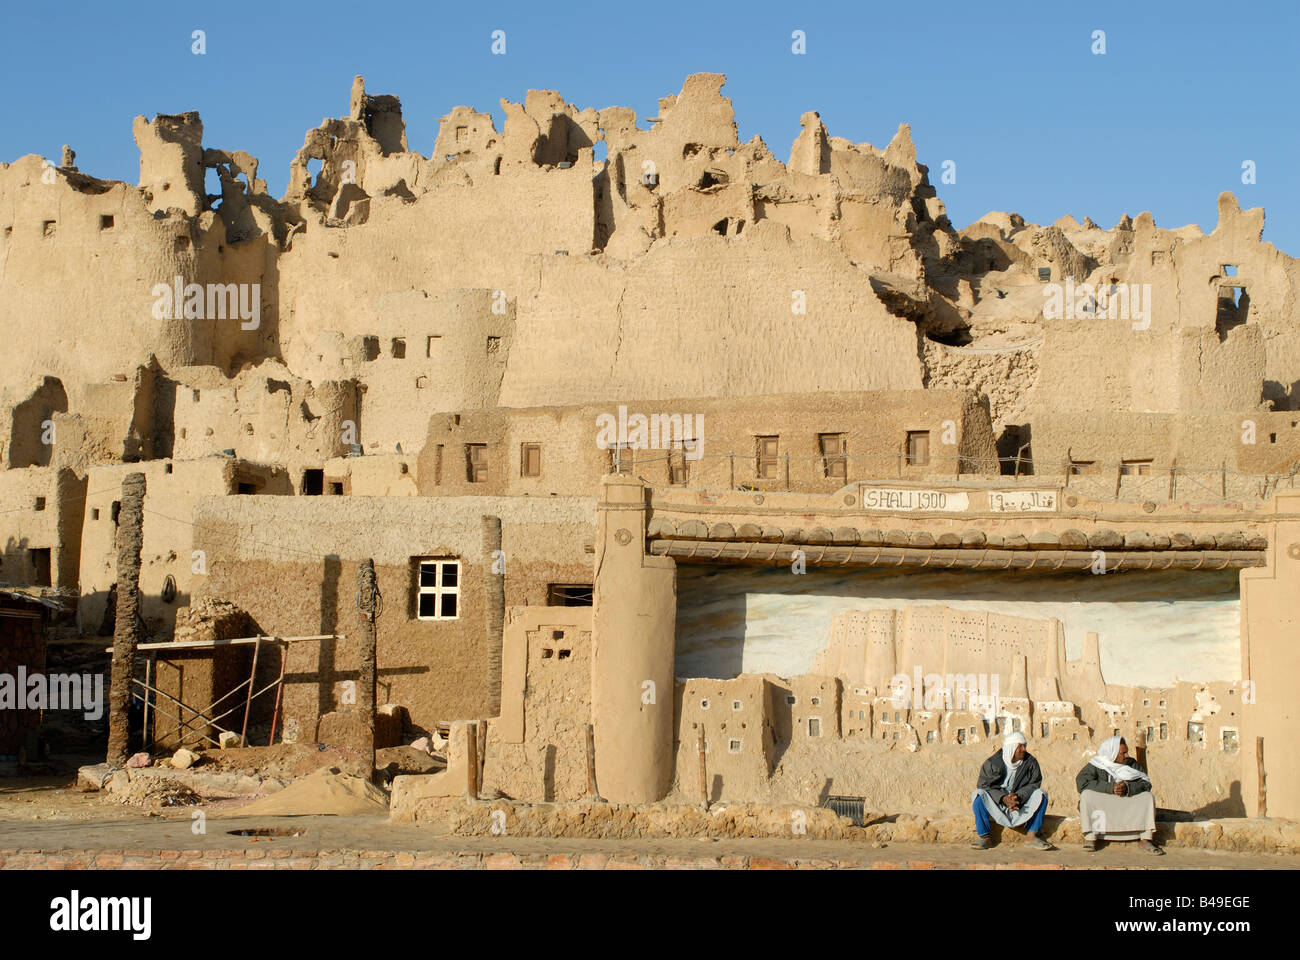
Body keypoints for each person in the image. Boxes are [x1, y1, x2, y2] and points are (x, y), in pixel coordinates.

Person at [1076, 735, 1162, 854]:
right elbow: (1082, 783)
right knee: (1086, 795)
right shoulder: (1098, 764)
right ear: (1112, 754)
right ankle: (1091, 838)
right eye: (1123, 753)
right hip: (1105, 805)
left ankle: (1145, 839)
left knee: (1147, 797)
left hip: (1126, 803)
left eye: (1127, 752)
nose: (1127, 756)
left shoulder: (1131, 764)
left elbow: (1145, 784)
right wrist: (1110, 788)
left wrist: (1127, 788)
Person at [971, 731, 1053, 850]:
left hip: (1019, 804)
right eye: (1020, 746)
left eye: (1024, 745)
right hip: (997, 804)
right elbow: (983, 785)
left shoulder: (1030, 763)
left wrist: (1018, 797)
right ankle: (984, 837)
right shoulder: (992, 763)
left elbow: (1034, 784)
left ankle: (1032, 836)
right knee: (978, 794)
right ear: (1011, 748)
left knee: (1041, 794)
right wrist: (1003, 798)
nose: (1024, 749)